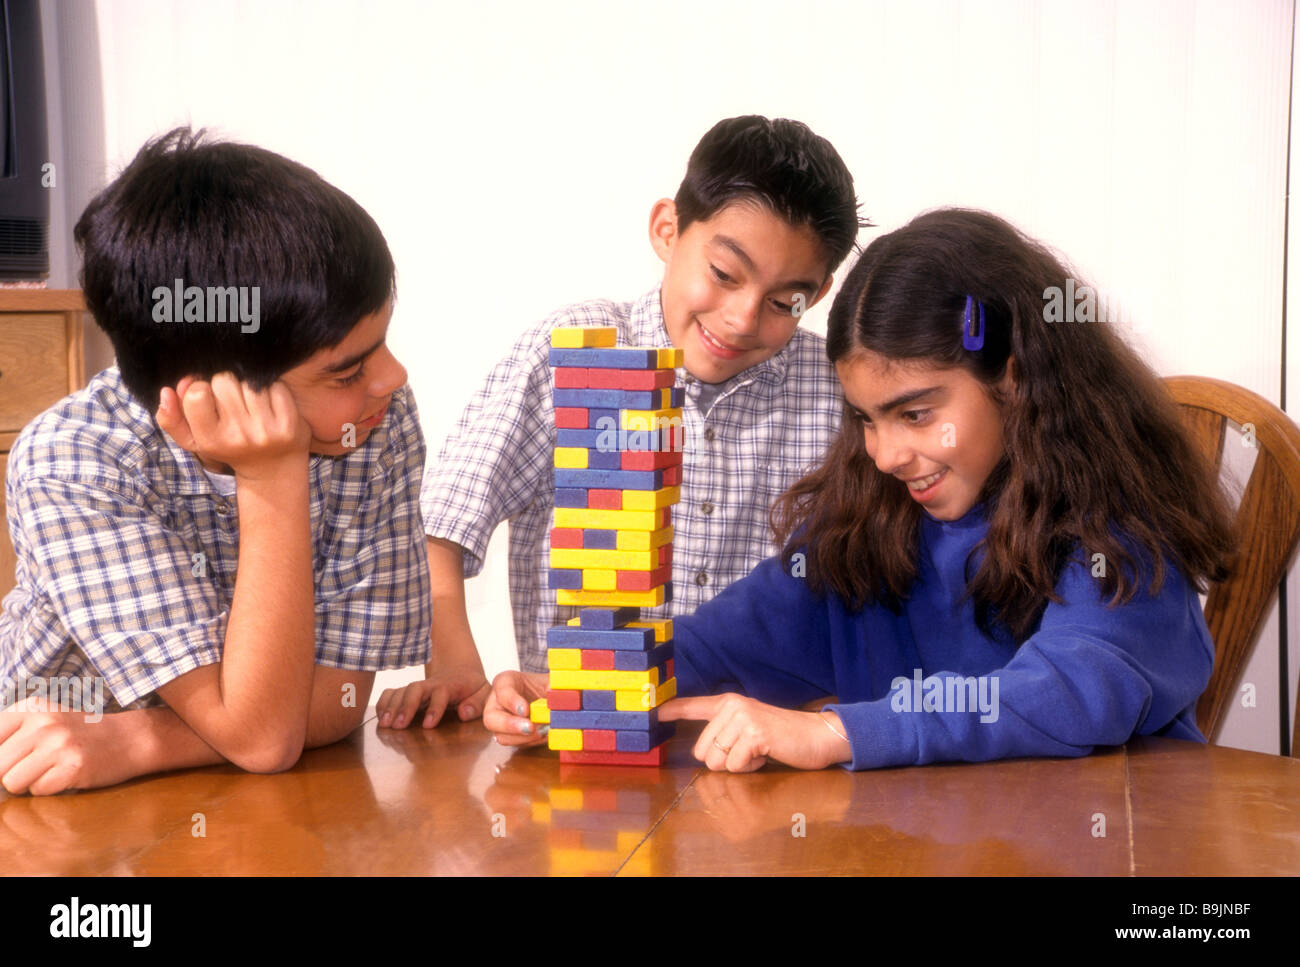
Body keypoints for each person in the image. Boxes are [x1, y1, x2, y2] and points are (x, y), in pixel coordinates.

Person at [483, 207, 1237, 772]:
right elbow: (732, 635)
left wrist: (838, 730)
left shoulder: (1122, 533)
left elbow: (1070, 688)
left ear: (1015, 377)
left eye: (916, 413)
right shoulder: (872, 525)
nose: (885, 453)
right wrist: (579, 687)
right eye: (866, 419)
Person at [377, 115, 864, 729]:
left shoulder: (836, 396)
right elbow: (440, 527)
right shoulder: (573, 352)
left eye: (782, 302)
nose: (742, 318)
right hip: (589, 730)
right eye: (723, 274)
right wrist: (453, 669)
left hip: (762, 747)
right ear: (668, 229)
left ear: (815, 297)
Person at [0, 129, 430, 794]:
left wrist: (138, 737)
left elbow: (332, 704)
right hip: (39, 784)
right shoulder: (73, 463)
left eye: (381, 343)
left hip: (181, 774)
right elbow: (264, 738)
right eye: (347, 369)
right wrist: (270, 479)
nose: (392, 377)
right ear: (215, 396)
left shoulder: (372, 424)